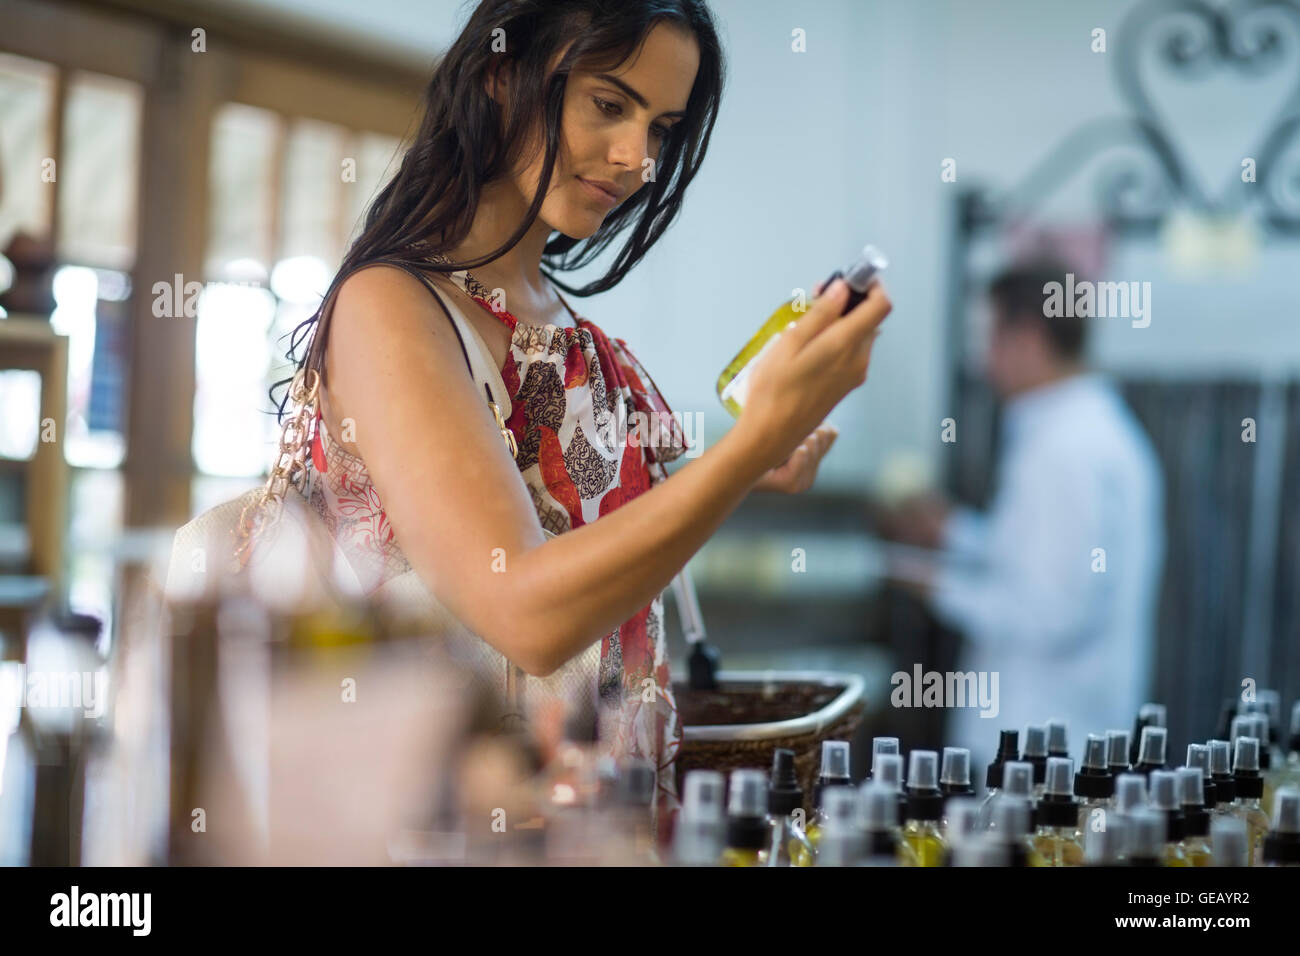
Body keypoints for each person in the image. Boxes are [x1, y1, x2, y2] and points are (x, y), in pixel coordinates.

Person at [269, 0, 892, 847]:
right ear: (500, 77)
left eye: (663, 128)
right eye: (608, 104)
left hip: (596, 833)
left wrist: (762, 449)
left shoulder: (567, 330)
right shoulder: (394, 309)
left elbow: (625, 493)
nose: (636, 158)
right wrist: (751, 447)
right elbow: (527, 615)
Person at [885, 260, 1162, 777]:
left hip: (1040, 748)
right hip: (1056, 741)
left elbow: (1054, 612)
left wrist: (934, 583)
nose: (986, 361)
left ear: (1029, 339)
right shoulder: (1085, 432)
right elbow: (1038, 557)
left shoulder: (1067, 448)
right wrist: (953, 533)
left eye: (992, 339)